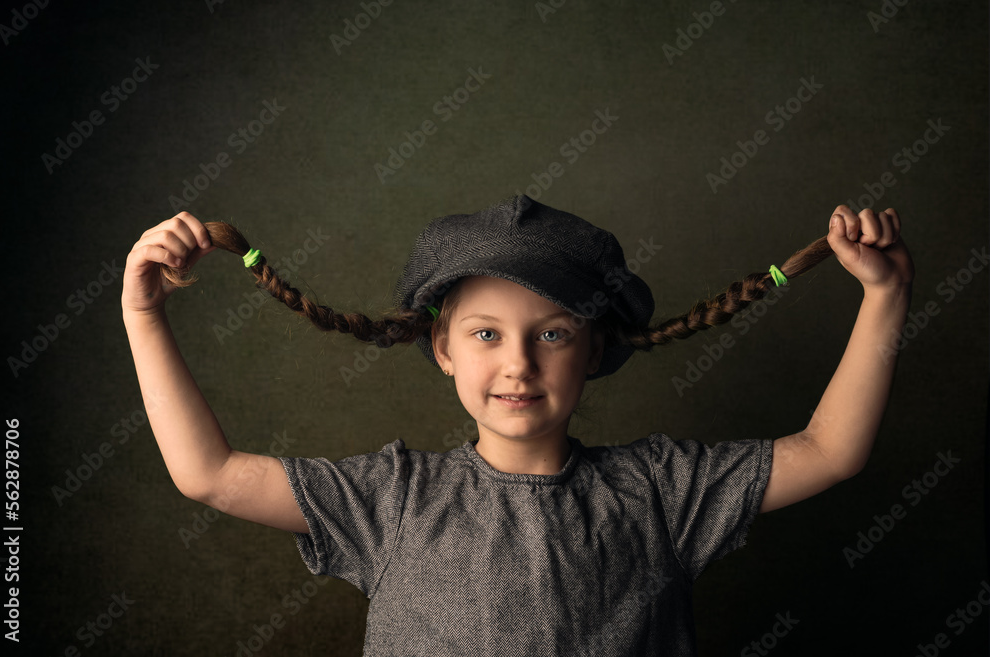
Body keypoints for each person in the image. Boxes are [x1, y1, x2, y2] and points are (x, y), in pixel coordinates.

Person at [121, 194, 914, 655]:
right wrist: (143, 313)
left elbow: (831, 450)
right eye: (486, 333)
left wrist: (883, 296)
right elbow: (211, 475)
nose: (518, 364)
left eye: (554, 332)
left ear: (595, 347)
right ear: (442, 347)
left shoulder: (662, 491)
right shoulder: (391, 499)